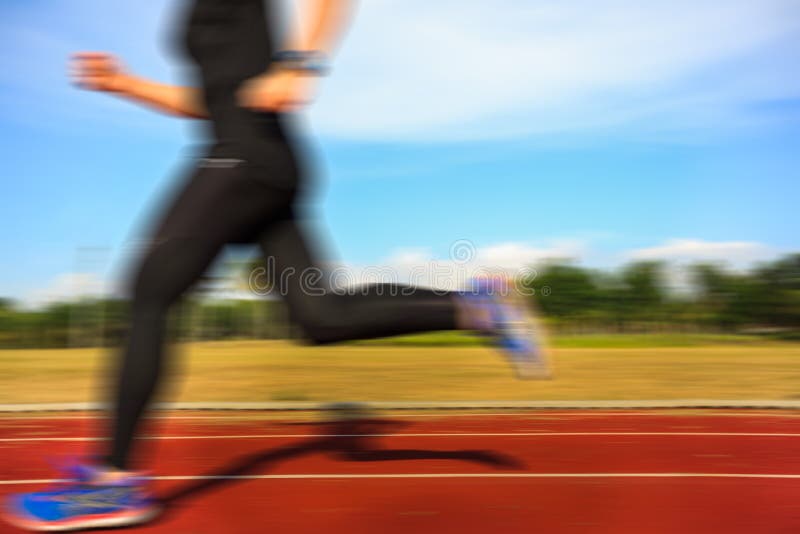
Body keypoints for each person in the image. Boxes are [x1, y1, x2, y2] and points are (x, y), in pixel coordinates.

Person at [4, 0, 551, 530]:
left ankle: (112, 481)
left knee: (150, 290)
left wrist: (297, 65)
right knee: (321, 316)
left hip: (245, 158)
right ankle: (476, 307)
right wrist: (124, 85)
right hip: (260, 161)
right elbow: (211, 101)